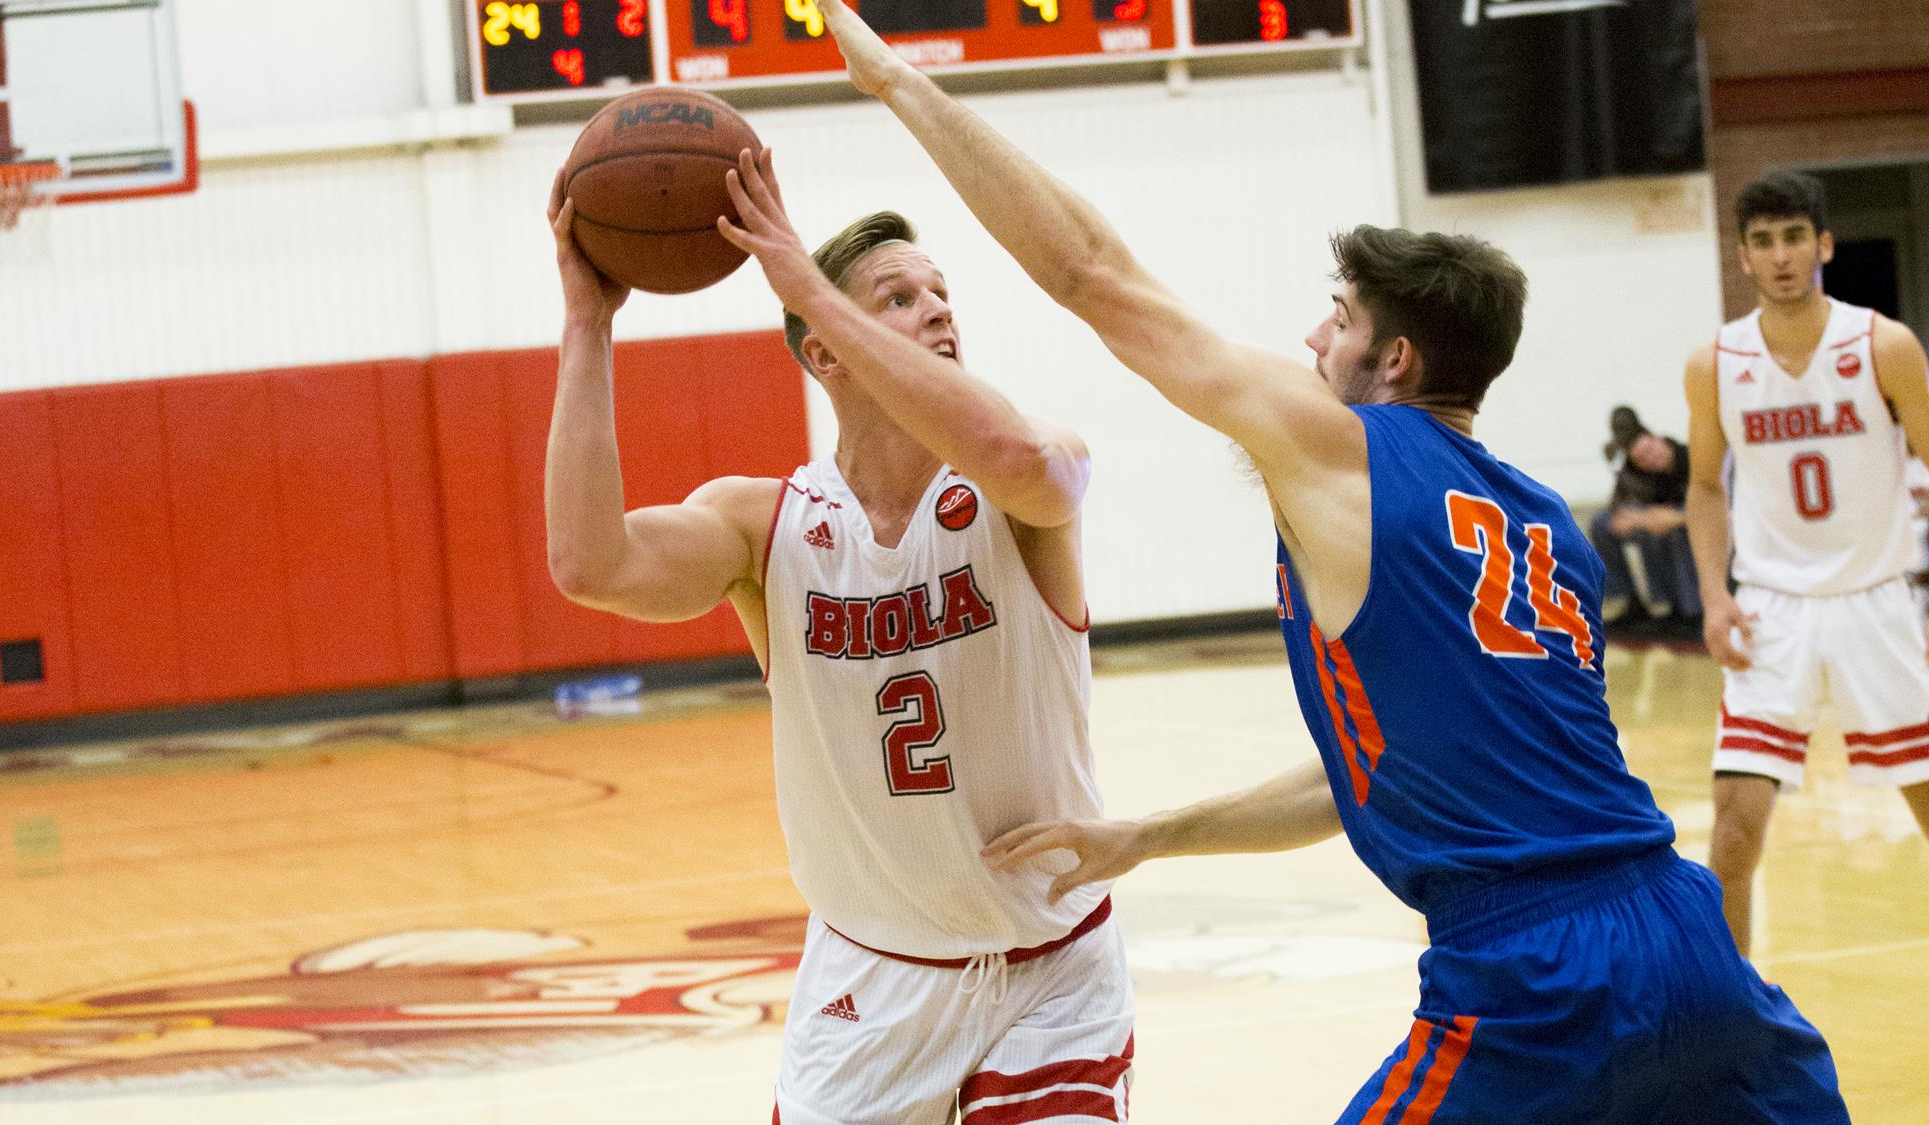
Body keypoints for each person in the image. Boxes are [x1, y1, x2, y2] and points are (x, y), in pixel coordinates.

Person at [807, 2, 1848, 1120]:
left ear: (1391, 360)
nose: (1310, 342)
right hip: (1684, 937)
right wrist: (1150, 838)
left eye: (1336, 320)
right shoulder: (1549, 524)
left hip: (1529, 973)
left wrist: (900, 88)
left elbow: (1091, 276)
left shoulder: (1346, 451)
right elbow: (1378, 769)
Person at [542, 169, 1135, 1121]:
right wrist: (588, 324)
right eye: (898, 297)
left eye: (940, 293)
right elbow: (588, 562)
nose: (936, 308)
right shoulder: (763, 524)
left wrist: (806, 285)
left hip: (1049, 969)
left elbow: (1024, 463)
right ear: (825, 353)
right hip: (871, 975)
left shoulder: (1023, 472)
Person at [1682, 169, 1929, 956]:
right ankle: (1727, 1015)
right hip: (1773, 610)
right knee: (1733, 830)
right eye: (1763, 241)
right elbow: (1702, 489)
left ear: (1823, 244)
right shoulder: (1715, 362)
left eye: (1795, 237)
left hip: (1878, 602)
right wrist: (1714, 598)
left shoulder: (1882, 345)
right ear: (1744, 258)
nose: (1781, 255)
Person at [1589, 405, 1699, 636]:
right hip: (1660, 520)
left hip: (1695, 522)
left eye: (1651, 449)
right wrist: (1641, 518)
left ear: (1659, 439)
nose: (1650, 457)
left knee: (1668, 532)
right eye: (1641, 458)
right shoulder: (1636, 470)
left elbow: (1715, 506)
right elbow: (1619, 506)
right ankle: (1630, 602)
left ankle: (1691, 611)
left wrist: (1672, 517)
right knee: (1603, 523)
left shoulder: (1690, 458)